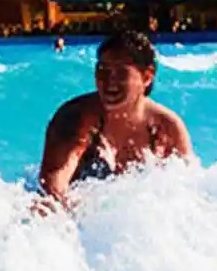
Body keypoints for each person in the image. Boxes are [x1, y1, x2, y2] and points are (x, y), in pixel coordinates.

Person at [38, 30, 194, 208]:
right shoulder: (76, 117)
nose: (109, 80)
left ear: (147, 77)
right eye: (102, 69)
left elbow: (188, 190)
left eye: (121, 72)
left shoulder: (166, 128)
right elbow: (53, 189)